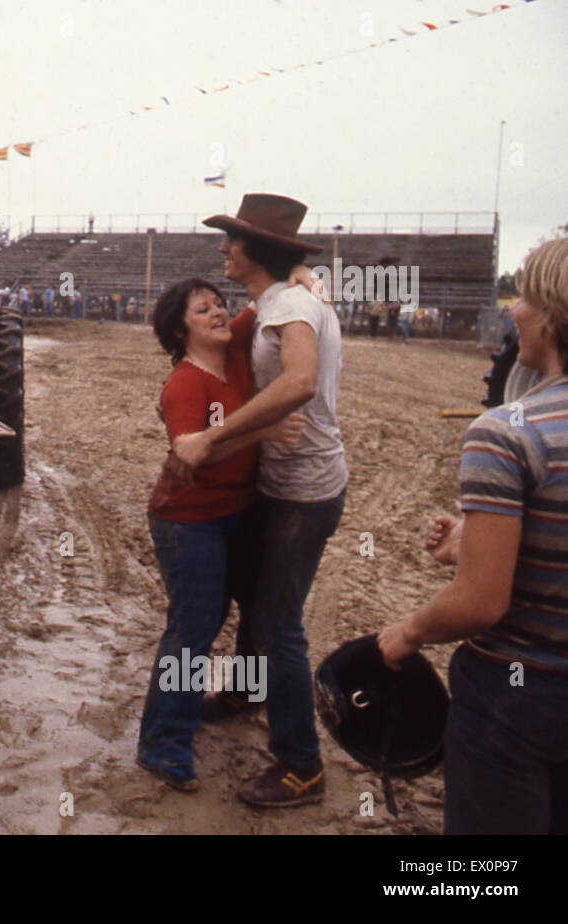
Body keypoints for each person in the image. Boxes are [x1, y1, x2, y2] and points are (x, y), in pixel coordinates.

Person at [379, 238, 568, 835]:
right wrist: (481, 539)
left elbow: (482, 602)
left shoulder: (507, 431)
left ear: (548, 313)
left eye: (523, 297)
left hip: (519, 695)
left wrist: (405, 635)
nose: (513, 309)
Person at [173, 194, 345, 808]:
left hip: (304, 490)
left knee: (278, 625)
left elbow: (299, 382)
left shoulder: (293, 305)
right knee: (257, 603)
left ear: (255, 251)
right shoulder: (279, 300)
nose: (223, 249)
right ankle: (249, 692)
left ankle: (302, 766)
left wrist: (215, 435)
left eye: (231, 241)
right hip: (280, 485)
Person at [139, 278, 301, 791]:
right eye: (201, 309)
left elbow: (271, 290)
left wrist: (303, 276)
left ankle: (239, 696)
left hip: (239, 511)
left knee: (254, 615)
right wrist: (264, 430)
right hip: (188, 521)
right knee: (193, 632)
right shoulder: (184, 384)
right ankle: (162, 745)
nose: (216, 312)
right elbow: (192, 452)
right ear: (179, 329)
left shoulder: (233, 349)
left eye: (217, 304)